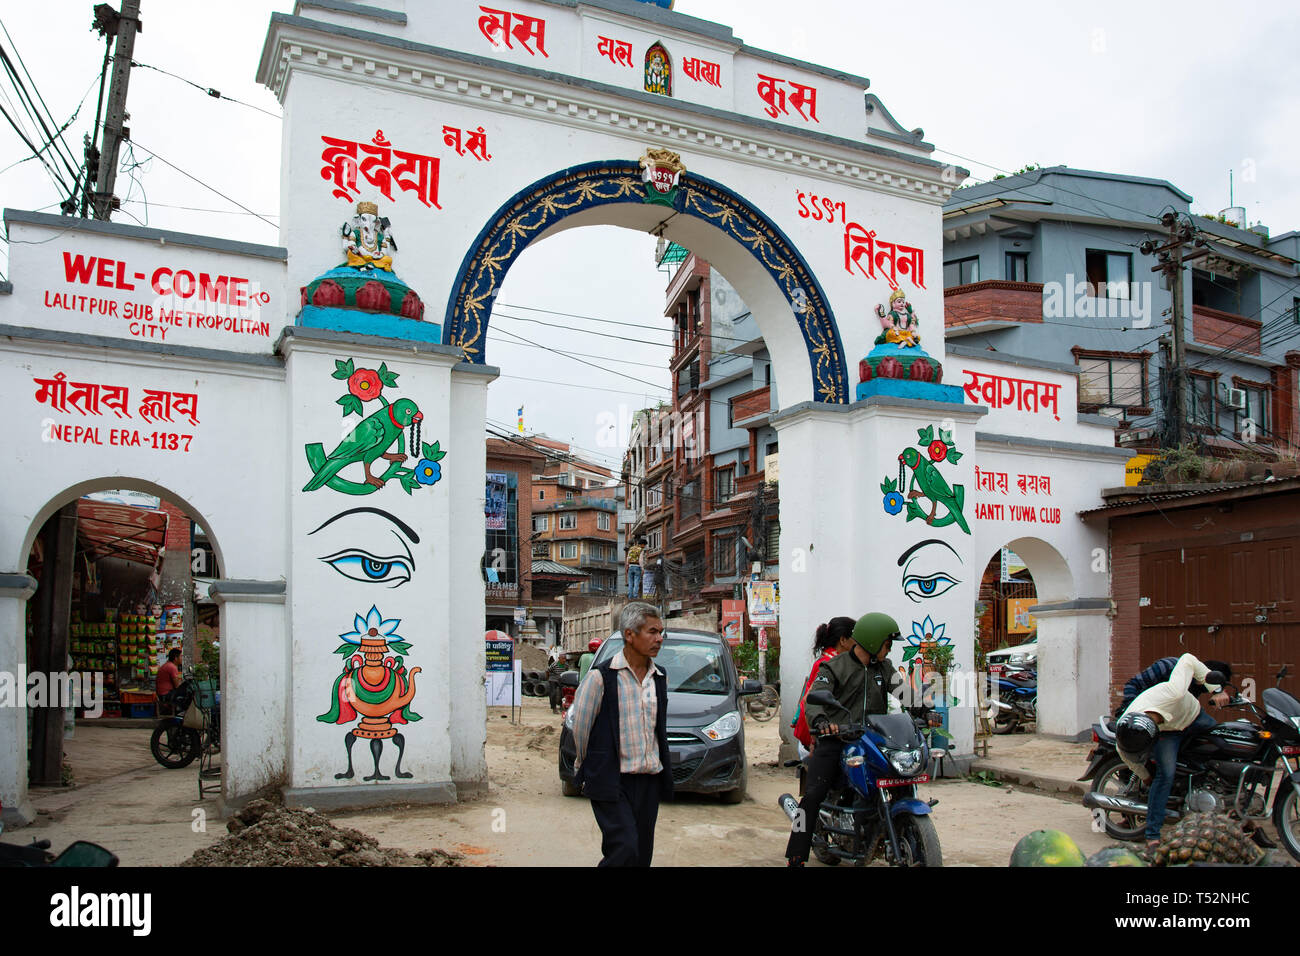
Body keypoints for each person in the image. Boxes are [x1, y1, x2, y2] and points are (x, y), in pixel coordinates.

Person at [786, 612, 902, 866]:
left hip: (871, 741)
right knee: (813, 796)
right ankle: (796, 855)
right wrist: (821, 722)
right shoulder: (834, 667)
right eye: (887, 643)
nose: (889, 649)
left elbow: (904, 690)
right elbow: (815, 697)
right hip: (835, 740)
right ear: (872, 641)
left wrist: (925, 704)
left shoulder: (885, 668)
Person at [568, 602, 672, 866]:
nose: (659, 639)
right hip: (612, 781)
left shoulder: (660, 677)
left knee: (641, 856)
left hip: (648, 780)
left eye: (661, 632)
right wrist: (584, 767)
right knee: (624, 848)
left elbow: (658, 729)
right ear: (629, 634)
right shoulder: (600, 678)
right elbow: (581, 727)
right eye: (652, 632)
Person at [1115, 652, 1225, 849]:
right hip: (1169, 733)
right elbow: (1124, 752)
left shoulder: (1175, 691)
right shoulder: (1129, 726)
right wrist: (1145, 775)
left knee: (1223, 747)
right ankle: (1152, 834)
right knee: (1165, 775)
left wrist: (1216, 690)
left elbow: (1188, 658)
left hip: (1193, 718)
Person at [791, 616, 857, 755]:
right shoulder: (828, 664)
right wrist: (815, 738)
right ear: (843, 640)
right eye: (855, 639)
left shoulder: (835, 660)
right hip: (817, 738)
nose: (858, 645)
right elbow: (809, 700)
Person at [1119, 656, 1231, 715]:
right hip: (1143, 719)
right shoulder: (1167, 666)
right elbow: (1132, 684)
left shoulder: (1196, 687)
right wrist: (1132, 711)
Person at [156, 648, 182, 714]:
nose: (182, 658)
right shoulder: (172, 667)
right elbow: (177, 686)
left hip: (161, 694)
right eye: (181, 656)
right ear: (176, 658)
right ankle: (180, 712)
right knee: (186, 694)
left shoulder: (167, 665)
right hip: (166, 695)